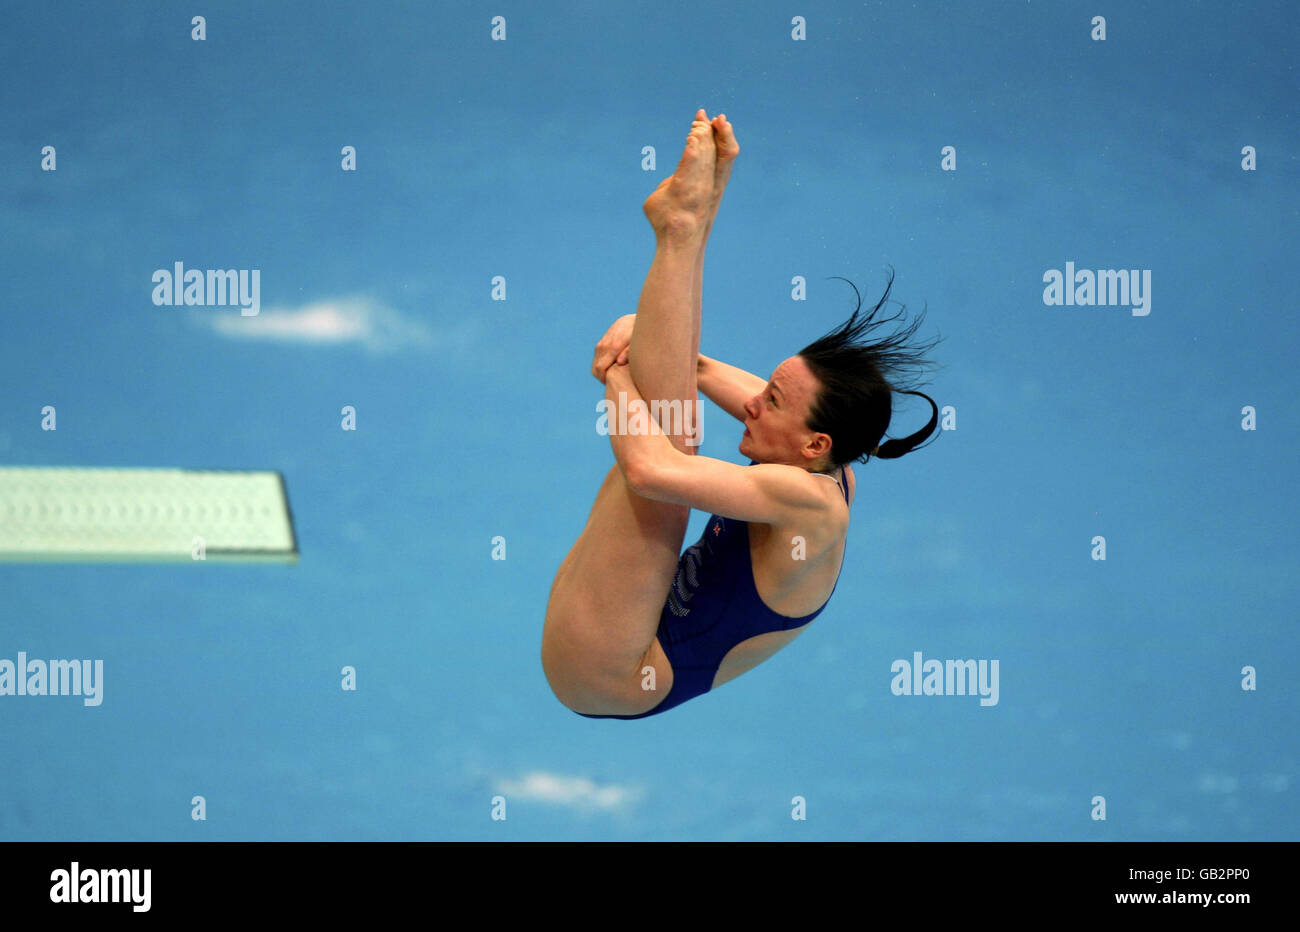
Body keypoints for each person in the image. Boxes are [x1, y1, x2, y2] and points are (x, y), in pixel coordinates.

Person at [541, 109, 942, 719]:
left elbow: (650, 470)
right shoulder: (823, 457)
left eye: (772, 401)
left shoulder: (810, 502)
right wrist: (640, 332)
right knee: (674, 407)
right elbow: (695, 369)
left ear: (815, 443)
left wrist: (616, 371)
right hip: (625, 615)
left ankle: (681, 228)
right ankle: (692, 220)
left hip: (611, 672)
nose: (751, 403)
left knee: (671, 454)